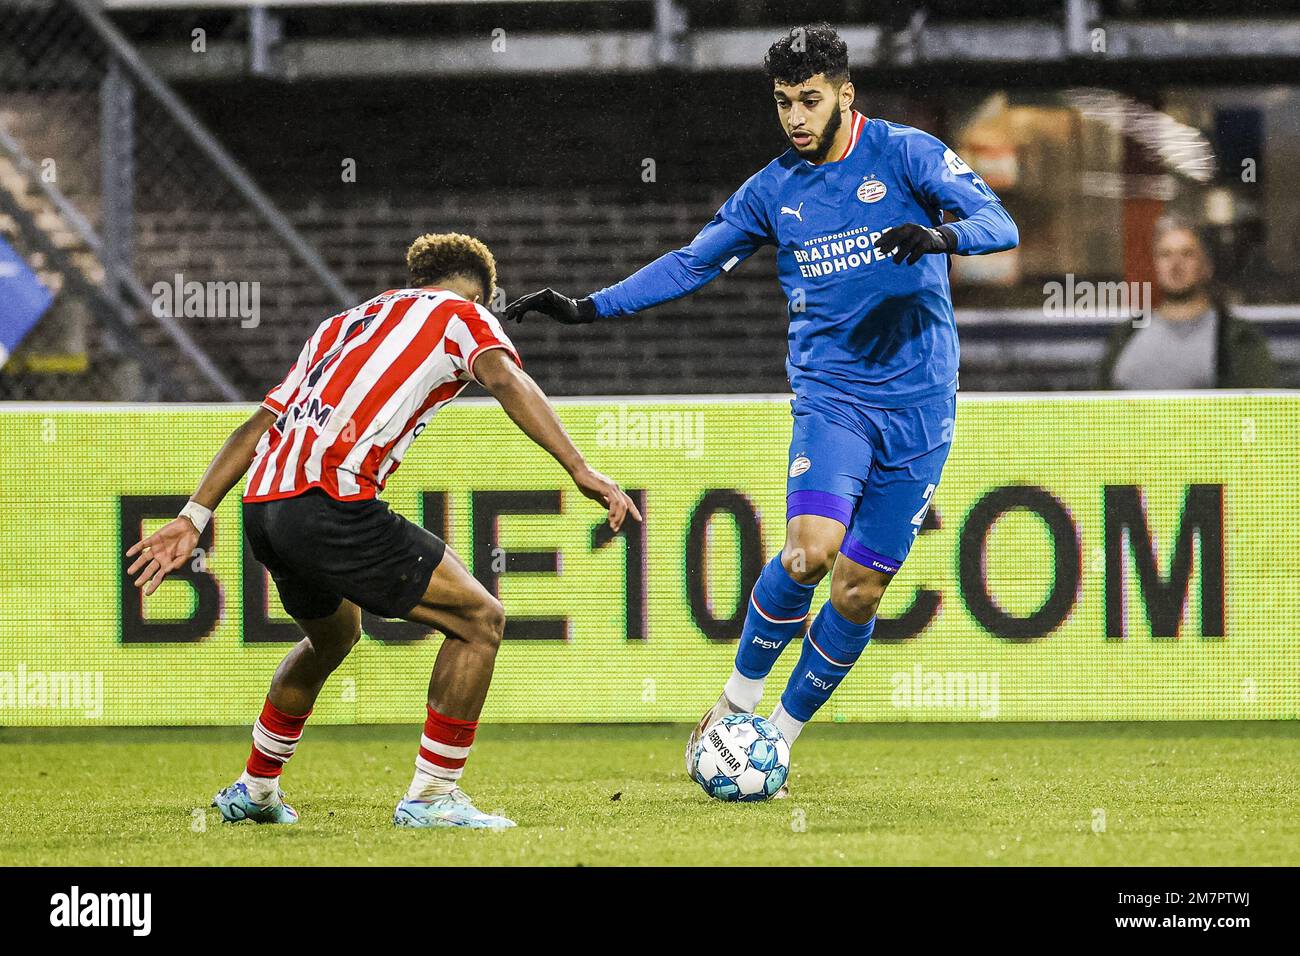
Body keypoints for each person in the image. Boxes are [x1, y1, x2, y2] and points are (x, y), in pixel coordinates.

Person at [504, 23, 1018, 792]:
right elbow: (691, 261)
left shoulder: (907, 154)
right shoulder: (774, 190)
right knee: (810, 551)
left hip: (920, 406)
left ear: (846, 95)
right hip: (832, 397)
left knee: (860, 588)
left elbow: (1000, 225)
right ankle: (737, 702)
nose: (796, 118)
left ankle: (773, 742)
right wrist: (588, 309)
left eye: (809, 100)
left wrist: (940, 235)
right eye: (783, 103)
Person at [125, 232, 640, 829]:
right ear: (482, 288)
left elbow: (260, 424)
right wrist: (581, 468)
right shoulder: (460, 314)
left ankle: (254, 788)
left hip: (265, 506)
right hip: (329, 504)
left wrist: (194, 515)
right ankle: (431, 797)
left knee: (334, 636)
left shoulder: (340, 325)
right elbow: (505, 379)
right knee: (480, 621)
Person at [1101, 217, 1277, 389]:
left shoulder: (1238, 338)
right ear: (1155, 266)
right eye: (1165, 254)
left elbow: (1257, 406)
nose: (1176, 264)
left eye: (1187, 254)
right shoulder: (1126, 334)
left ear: (1206, 266)